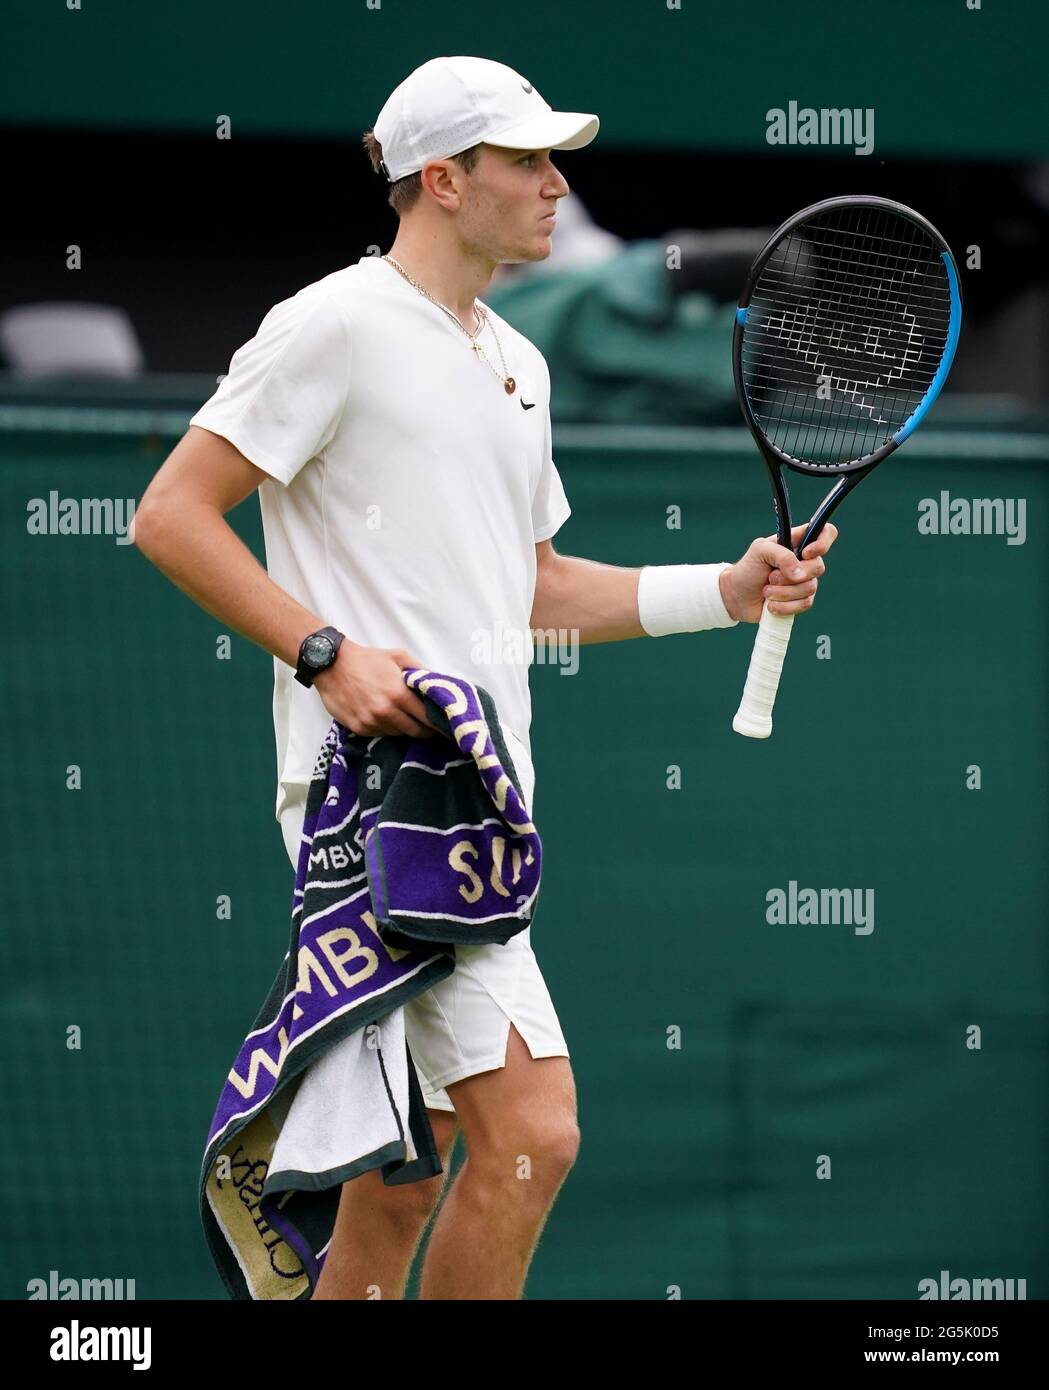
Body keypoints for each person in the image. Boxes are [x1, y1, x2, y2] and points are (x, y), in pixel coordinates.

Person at [132, 55, 837, 1301]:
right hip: (379, 801)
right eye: (527, 160)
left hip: (475, 798)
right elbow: (170, 515)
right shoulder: (332, 324)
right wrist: (324, 651)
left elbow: (533, 587)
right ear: (443, 182)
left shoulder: (519, 360)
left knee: (406, 1167)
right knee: (532, 1132)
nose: (556, 183)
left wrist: (722, 593)